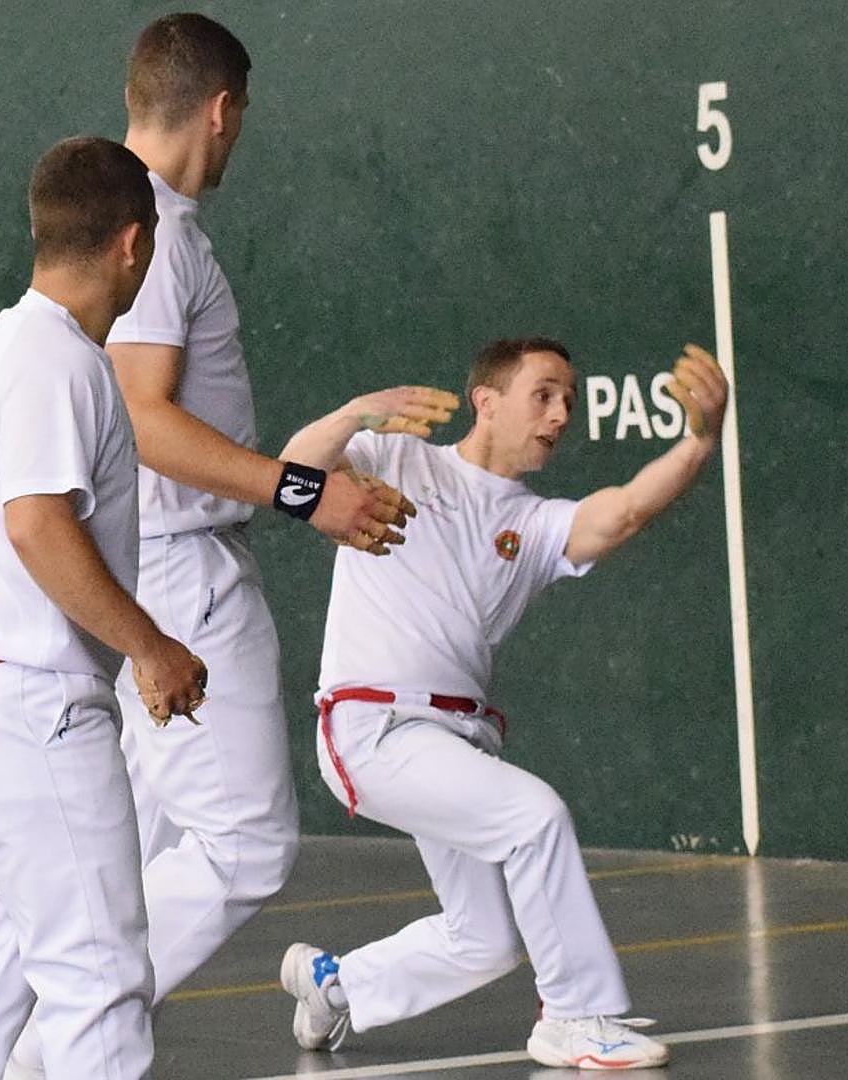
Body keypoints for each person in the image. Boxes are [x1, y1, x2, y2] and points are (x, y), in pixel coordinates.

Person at [3, 17, 454, 1074]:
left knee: (140, 846)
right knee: (243, 844)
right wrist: (305, 493)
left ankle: (48, 1050)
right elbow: (145, 418)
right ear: (219, 109)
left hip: (149, 564)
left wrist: (328, 439)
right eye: (240, 115)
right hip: (179, 574)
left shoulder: (136, 229)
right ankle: (66, 1039)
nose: (239, 133)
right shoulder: (151, 234)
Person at [276, 338, 731, 1070]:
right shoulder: (395, 459)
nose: (560, 415)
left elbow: (623, 512)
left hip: (452, 741)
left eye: (569, 402)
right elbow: (293, 474)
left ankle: (335, 985)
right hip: (374, 727)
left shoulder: (538, 524)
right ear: (486, 401)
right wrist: (356, 414)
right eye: (543, 395)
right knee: (534, 818)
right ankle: (576, 1016)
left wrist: (700, 442)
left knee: (482, 940)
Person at [0, 135, 207, 1080]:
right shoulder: (56, 360)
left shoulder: (6, 345)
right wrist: (150, 647)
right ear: (133, 244)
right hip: (28, 712)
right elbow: (36, 525)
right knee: (97, 981)